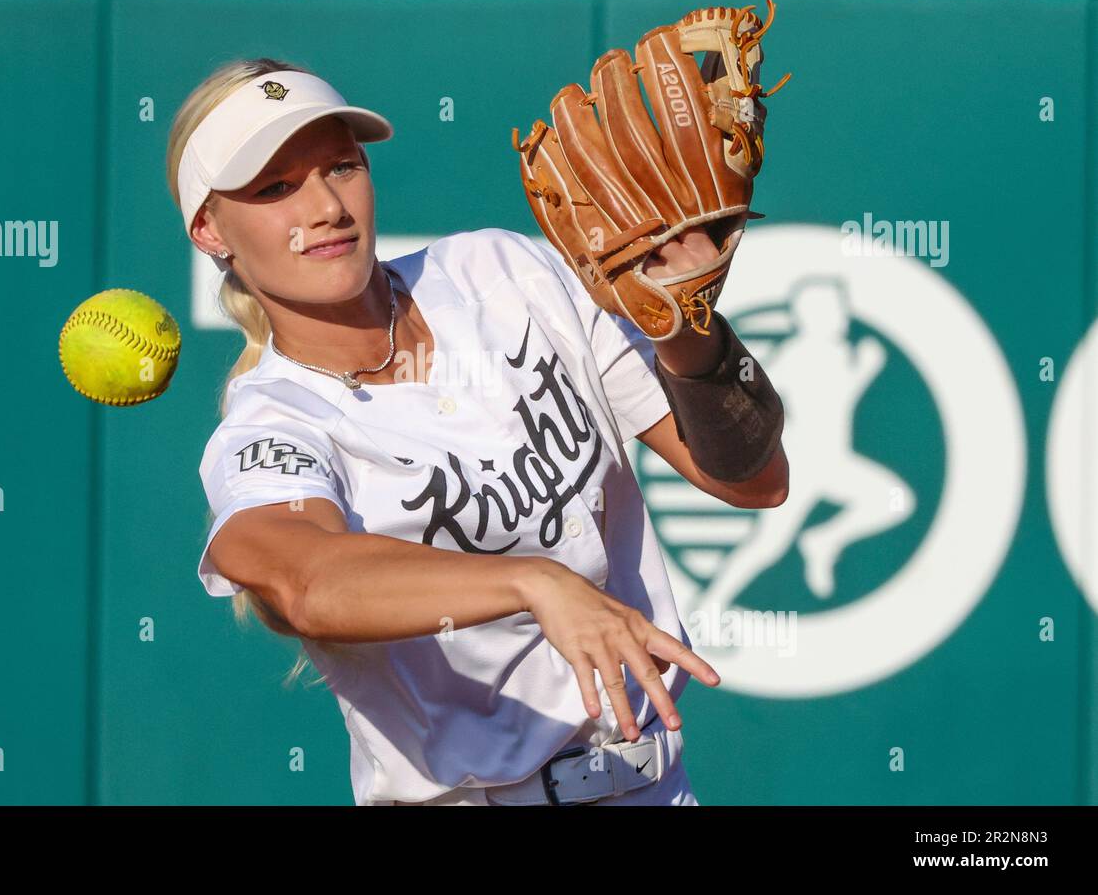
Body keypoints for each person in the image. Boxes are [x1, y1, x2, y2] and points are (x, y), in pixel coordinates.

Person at [166, 58, 789, 806]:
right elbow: (305, 579)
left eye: (341, 166)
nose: (326, 206)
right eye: (275, 188)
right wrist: (532, 581)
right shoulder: (275, 421)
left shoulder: (505, 272)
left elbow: (754, 479)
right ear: (209, 229)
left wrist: (685, 321)